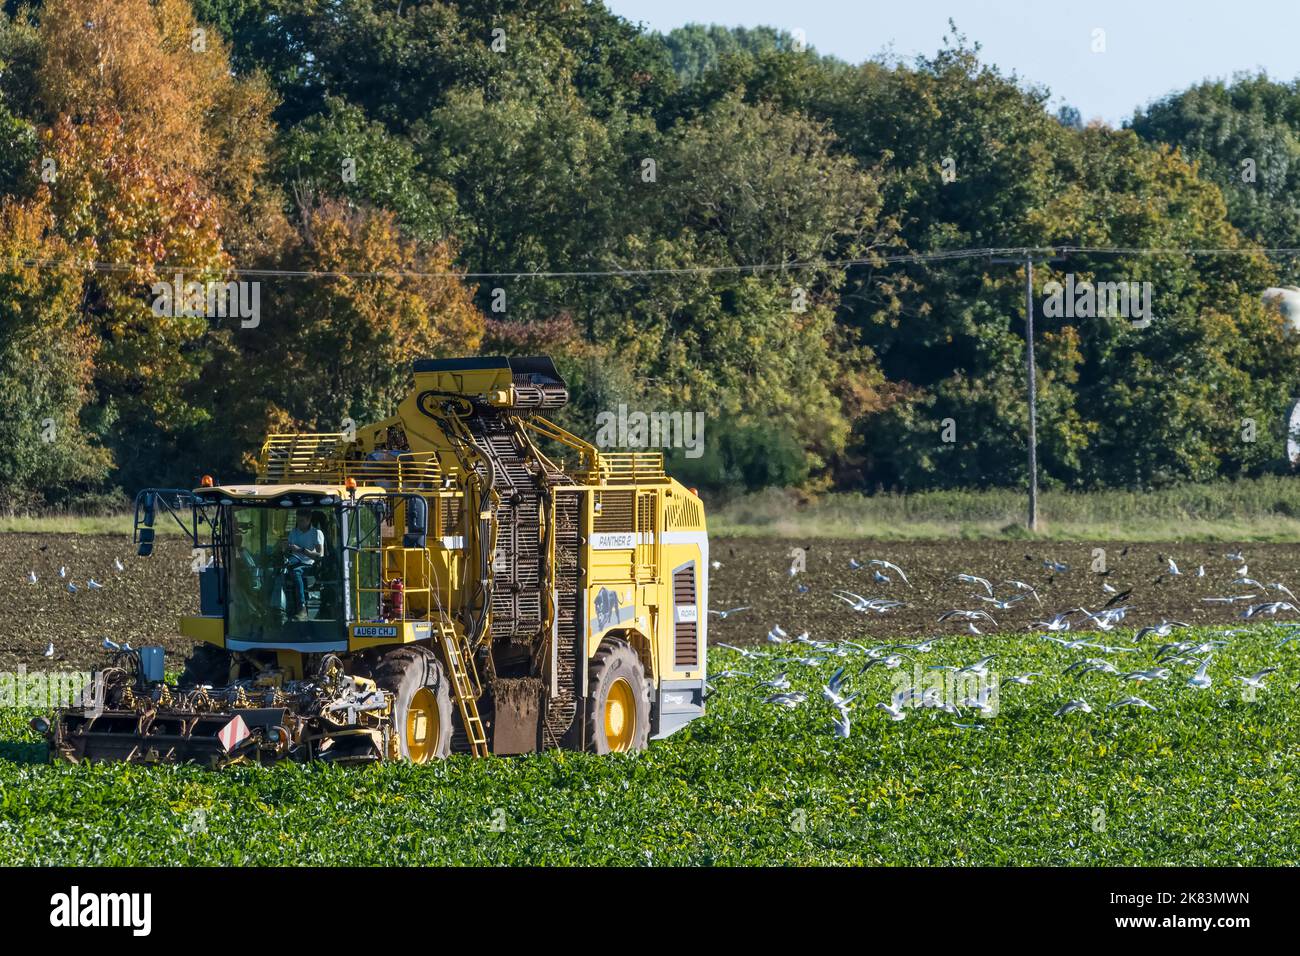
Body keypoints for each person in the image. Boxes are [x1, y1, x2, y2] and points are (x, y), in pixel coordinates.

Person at [279, 509, 325, 621]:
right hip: (293, 560)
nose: (299, 523)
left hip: (310, 564)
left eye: (302, 521)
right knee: (279, 569)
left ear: (309, 520)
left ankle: (302, 608)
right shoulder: (293, 532)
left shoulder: (316, 533)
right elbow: (288, 551)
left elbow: (320, 555)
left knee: (296, 572)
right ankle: (278, 608)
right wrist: (285, 548)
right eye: (298, 520)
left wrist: (300, 549)